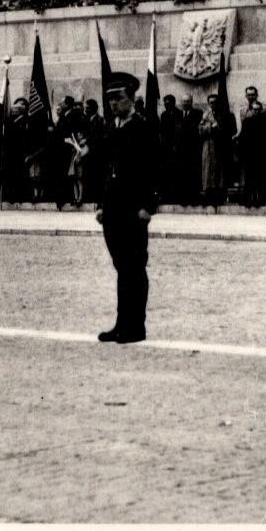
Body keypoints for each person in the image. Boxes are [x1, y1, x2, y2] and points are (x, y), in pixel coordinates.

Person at [95, 72, 157, 344]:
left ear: (132, 99)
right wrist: (100, 204)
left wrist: (148, 206)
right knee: (121, 266)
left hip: (134, 210)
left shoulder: (144, 128)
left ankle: (136, 326)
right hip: (112, 210)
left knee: (134, 267)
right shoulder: (110, 128)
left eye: (118, 98)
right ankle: (122, 324)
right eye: (109, 99)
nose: (113, 104)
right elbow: (105, 169)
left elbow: (154, 169)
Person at [236, 86, 266, 208]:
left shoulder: (265, 112)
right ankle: (249, 199)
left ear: (257, 95)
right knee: (249, 177)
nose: (251, 97)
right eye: (249, 95)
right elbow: (241, 133)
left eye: (253, 94)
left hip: (261, 151)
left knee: (261, 176)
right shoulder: (244, 114)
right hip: (249, 152)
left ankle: (261, 199)